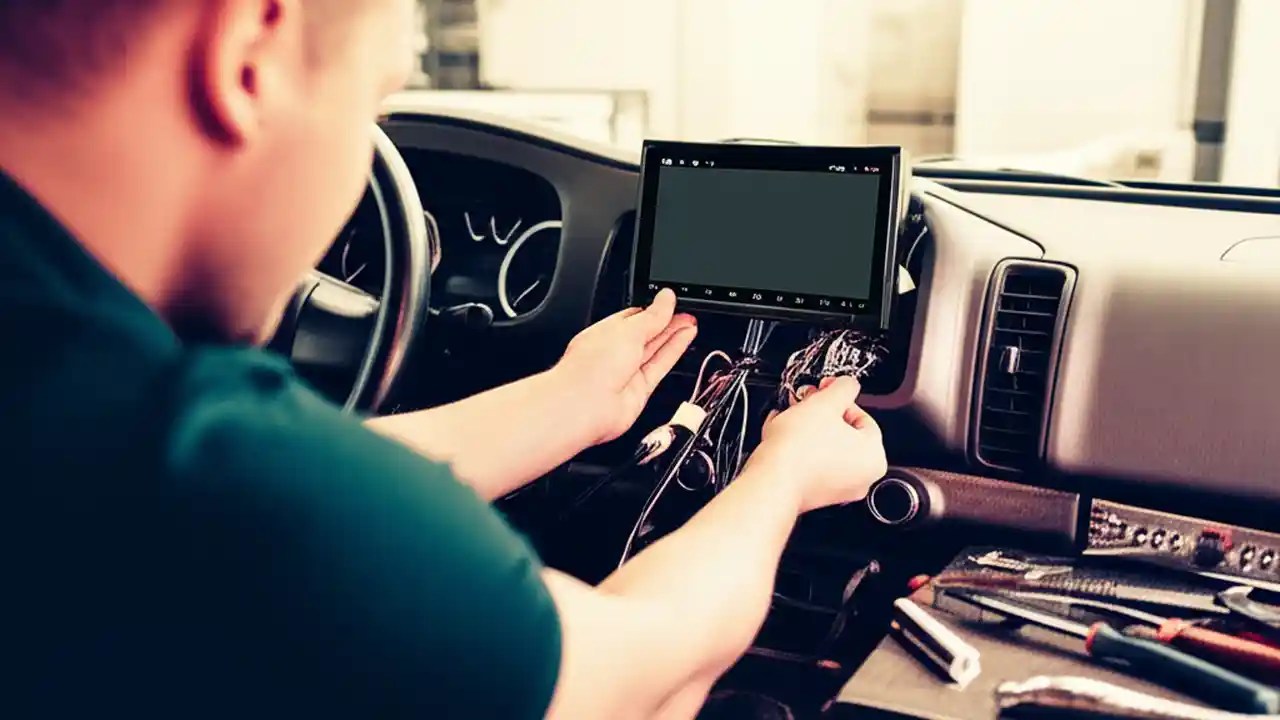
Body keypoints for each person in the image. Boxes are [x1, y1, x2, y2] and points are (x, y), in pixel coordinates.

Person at [0, 1, 888, 718]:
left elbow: (308, 488)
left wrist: (564, 402)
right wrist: (786, 471)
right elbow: (643, 677)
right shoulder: (176, 467)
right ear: (248, 55)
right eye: (374, 106)